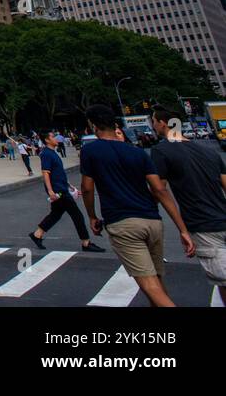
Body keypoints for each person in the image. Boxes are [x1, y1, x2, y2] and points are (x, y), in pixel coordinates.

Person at [80, 105, 195, 307]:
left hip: (123, 223)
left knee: (149, 285)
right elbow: (160, 189)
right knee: (156, 281)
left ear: (93, 126)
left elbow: (87, 188)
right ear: (115, 125)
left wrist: (91, 215)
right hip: (153, 221)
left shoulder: (90, 151)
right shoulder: (138, 153)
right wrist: (183, 229)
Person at [150, 107, 226, 307]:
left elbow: (160, 190)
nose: (153, 125)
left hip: (203, 225)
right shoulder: (208, 151)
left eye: (154, 121)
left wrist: (182, 229)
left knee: (223, 281)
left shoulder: (161, 151)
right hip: (222, 217)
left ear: (163, 123)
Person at [29, 131, 103, 253]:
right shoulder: (46, 154)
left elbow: (58, 173)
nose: (56, 138)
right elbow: (46, 173)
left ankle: (37, 234)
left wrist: (70, 186)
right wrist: (50, 191)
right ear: (47, 140)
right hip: (58, 190)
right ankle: (86, 242)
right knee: (77, 215)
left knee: (56, 214)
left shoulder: (53, 153)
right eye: (53, 136)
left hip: (61, 188)